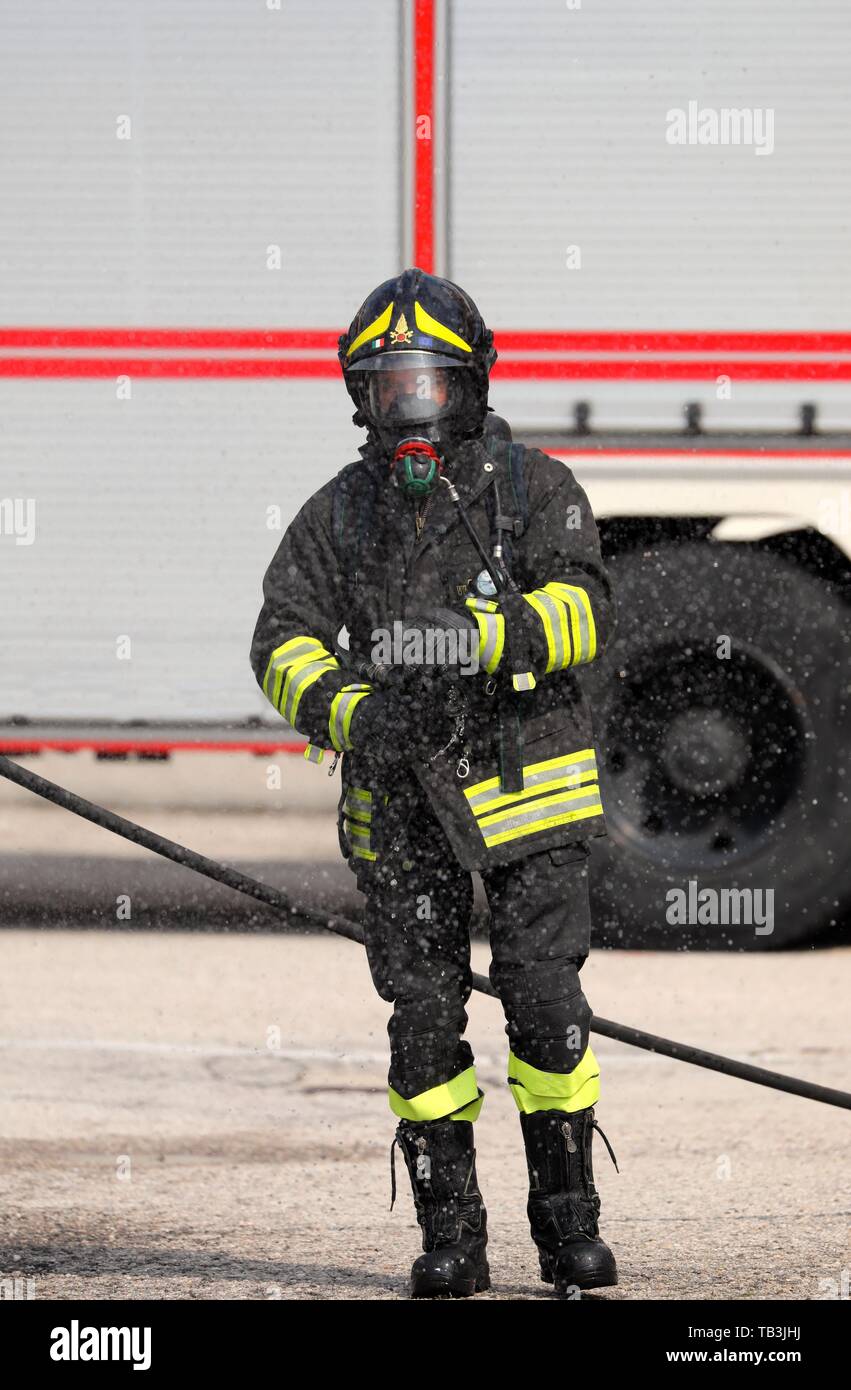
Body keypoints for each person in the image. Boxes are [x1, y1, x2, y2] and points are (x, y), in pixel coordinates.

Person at [250, 268, 619, 1299]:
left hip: (527, 809)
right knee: (423, 1022)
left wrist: (481, 639)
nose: (408, 408)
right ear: (361, 397)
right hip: (401, 811)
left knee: (546, 1012)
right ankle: (448, 1238)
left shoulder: (535, 488)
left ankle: (568, 1232)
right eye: (387, 387)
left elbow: (589, 608)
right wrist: (350, 712)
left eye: (428, 385)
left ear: (469, 386)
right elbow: (280, 639)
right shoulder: (340, 514)